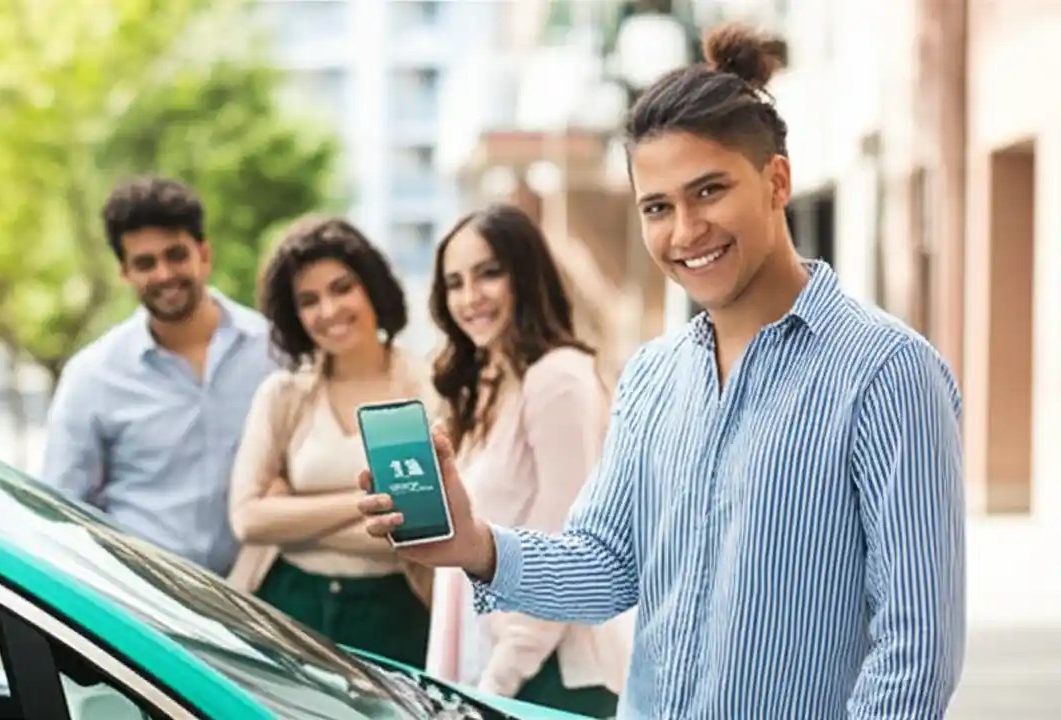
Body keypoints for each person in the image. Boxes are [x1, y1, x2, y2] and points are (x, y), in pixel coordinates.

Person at [357, 23, 965, 719]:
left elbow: (916, 651)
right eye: (658, 207)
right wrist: (475, 545)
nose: (684, 232)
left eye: (709, 191)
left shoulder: (889, 373)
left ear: (777, 181)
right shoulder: (652, 376)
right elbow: (605, 568)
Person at [422, 204, 631, 716]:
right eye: (454, 282)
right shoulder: (486, 386)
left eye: (489, 273)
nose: (470, 298)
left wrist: (495, 683)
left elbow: (563, 548)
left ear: (526, 274)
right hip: (492, 669)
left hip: (550, 677)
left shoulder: (559, 379)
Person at [42, 175, 279, 577]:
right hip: (140, 611)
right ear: (125, 273)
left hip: (260, 601)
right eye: (145, 263)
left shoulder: (273, 351)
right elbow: (62, 511)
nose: (164, 274)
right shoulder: (92, 377)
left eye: (176, 255)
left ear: (204, 255)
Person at [226, 215, 435, 667]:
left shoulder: (427, 388)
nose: (328, 310)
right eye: (309, 300)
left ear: (372, 288)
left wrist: (291, 510)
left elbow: (425, 529)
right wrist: (372, 502)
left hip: (395, 615)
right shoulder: (283, 395)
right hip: (287, 607)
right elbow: (247, 520)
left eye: (342, 288)